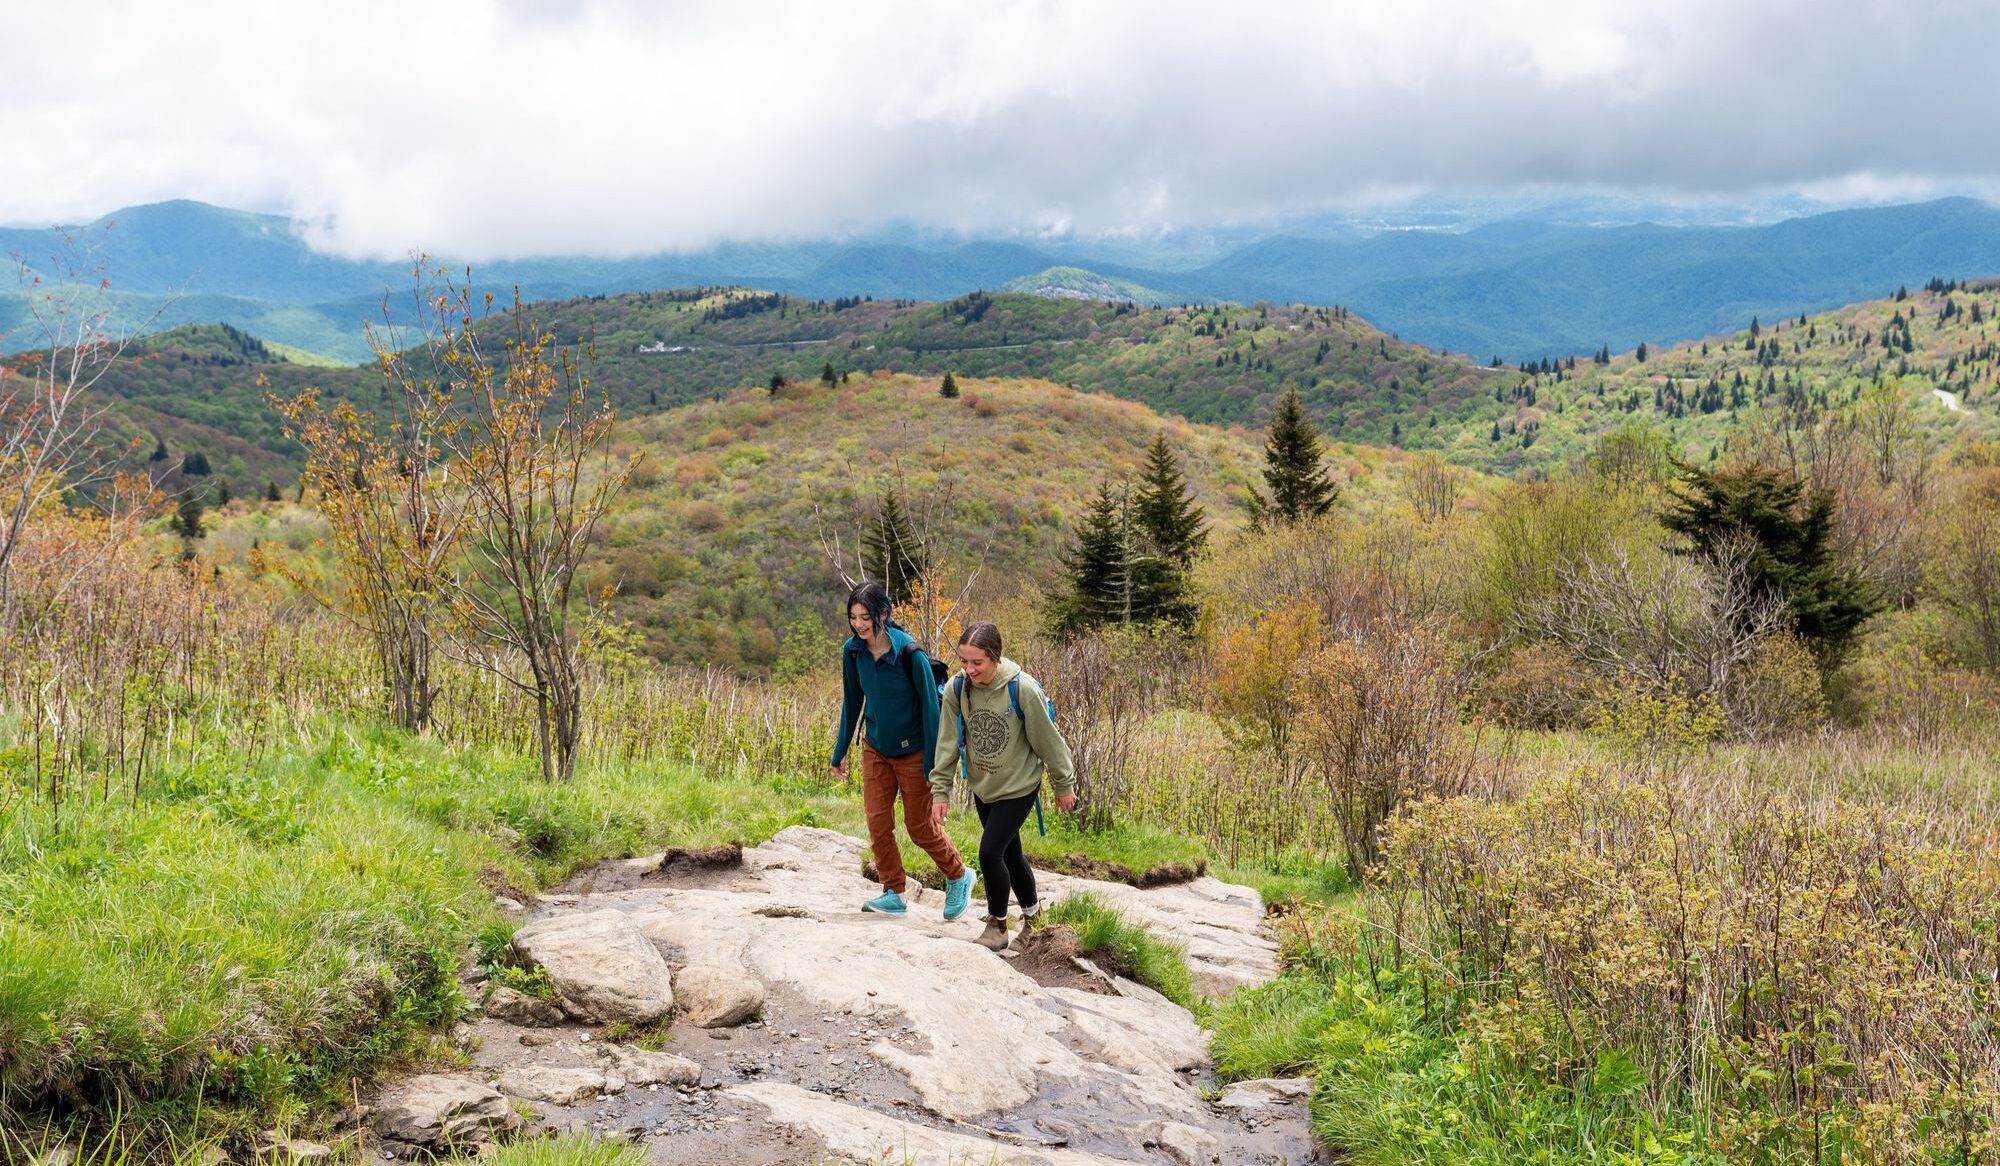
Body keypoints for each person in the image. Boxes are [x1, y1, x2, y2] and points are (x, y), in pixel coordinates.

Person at [831, 581, 977, 920]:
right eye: (853, 617)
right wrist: (839, 751)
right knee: (877, 821)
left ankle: (958, 875)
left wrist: (933, 766)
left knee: (920, 826)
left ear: (883, 614)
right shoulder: (852, 652)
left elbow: (931, 711)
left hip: (915, 751)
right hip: (876, 748)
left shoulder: (910, 653)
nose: (859, 624)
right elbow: (852, 702)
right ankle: (893, 891)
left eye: (865, 617)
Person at [929, 622, 1077, 951]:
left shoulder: (1022, 690)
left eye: (977, 663)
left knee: (990, 852)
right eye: (964, 661)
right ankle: (1035, 919)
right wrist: (940, 791)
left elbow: (1049, 742)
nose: (969, 669)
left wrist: (1063, 784)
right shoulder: (957, 690)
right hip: (984, 786)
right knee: (1011, 855)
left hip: (1019, 786)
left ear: (995, 658)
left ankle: (997, 926)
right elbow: (947, 744)